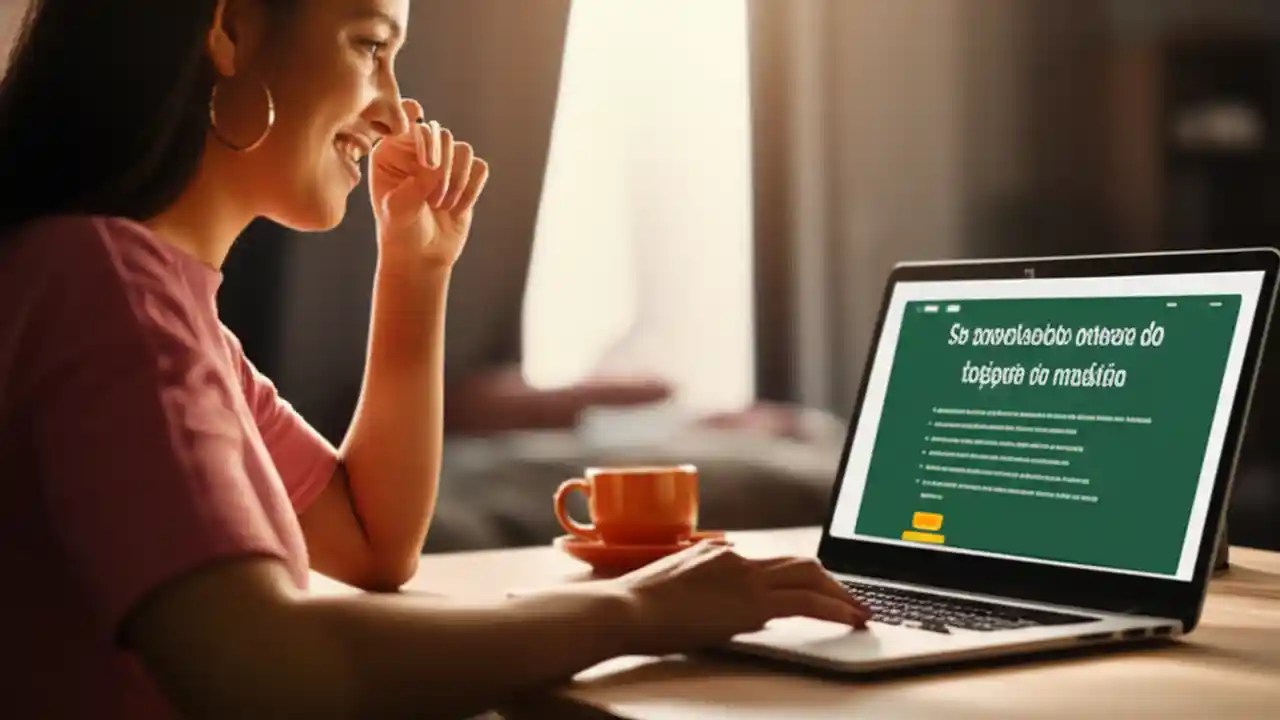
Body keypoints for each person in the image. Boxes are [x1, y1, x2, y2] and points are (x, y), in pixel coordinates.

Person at [0, 1, 869, 717]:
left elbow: (375, 541)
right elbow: (259, 667)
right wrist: (639, 610)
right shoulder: (105, 287)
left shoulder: (165, 309)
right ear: (227, 28)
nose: (391, 110)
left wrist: (415, 276)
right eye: (370, 46)